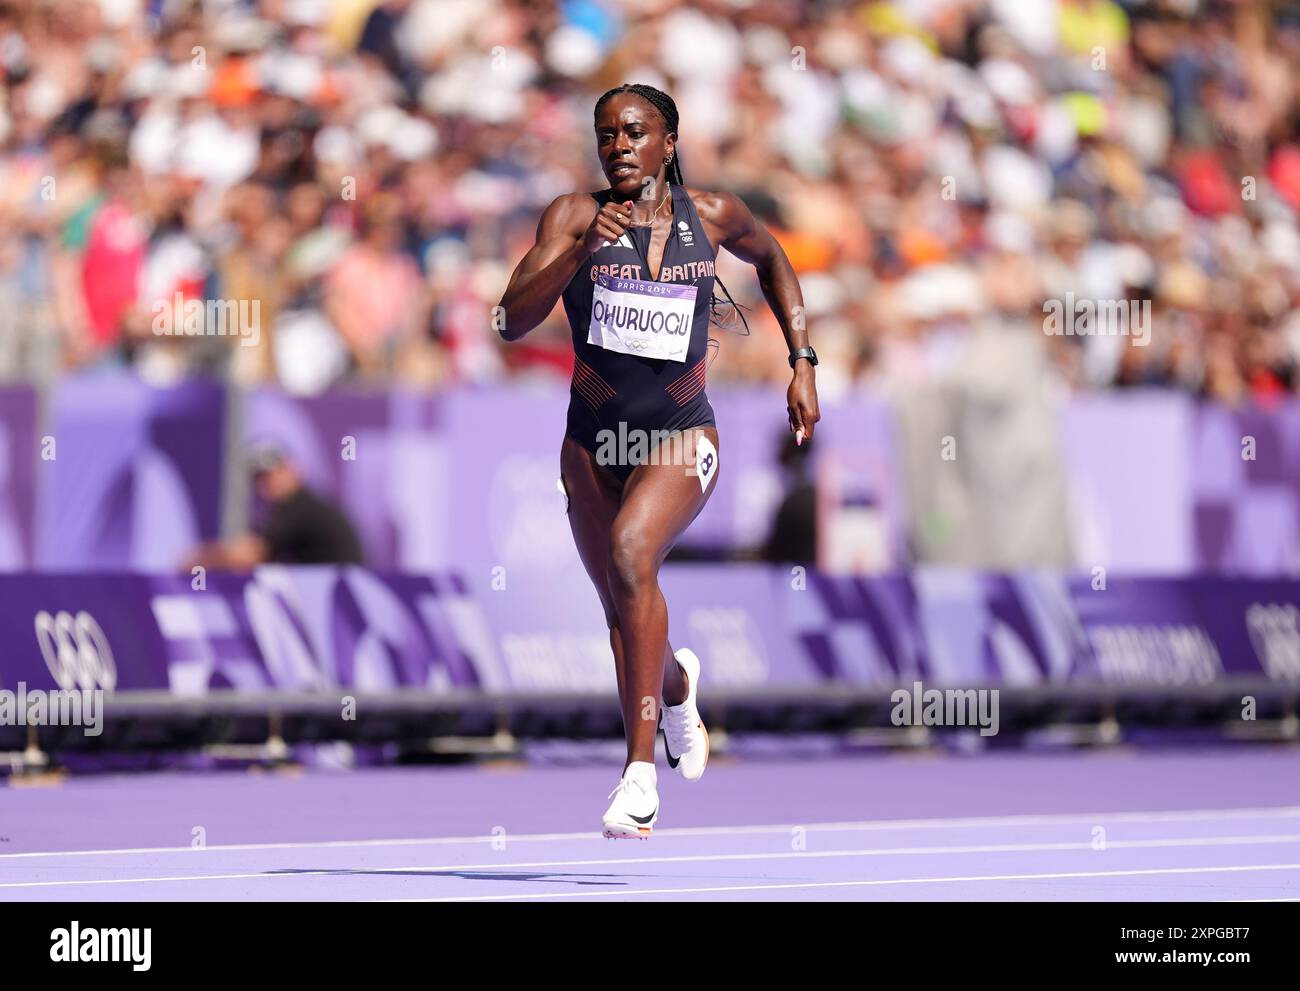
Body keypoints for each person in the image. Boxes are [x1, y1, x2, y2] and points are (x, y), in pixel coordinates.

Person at [497, 83, 820, 838]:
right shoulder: (573, 217)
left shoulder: (712, 215)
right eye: (606, 133)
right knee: (624, 600)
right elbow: (510, 320)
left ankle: (639, 778)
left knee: (633, 551)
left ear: (668, 144)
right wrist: (579, 250)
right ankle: (676, 686)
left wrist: (802, 360)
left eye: (635, 132)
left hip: (681, 432)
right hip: (592, 443)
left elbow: (774, 260)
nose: (618, 146)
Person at [182, 445, 364, 571]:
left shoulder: (298, 507)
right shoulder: (292, 507)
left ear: (292, 469)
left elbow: (247, 555)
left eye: (274, 473)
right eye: (260, 477)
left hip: (341, 602)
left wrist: (199, 560)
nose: (268, 482)